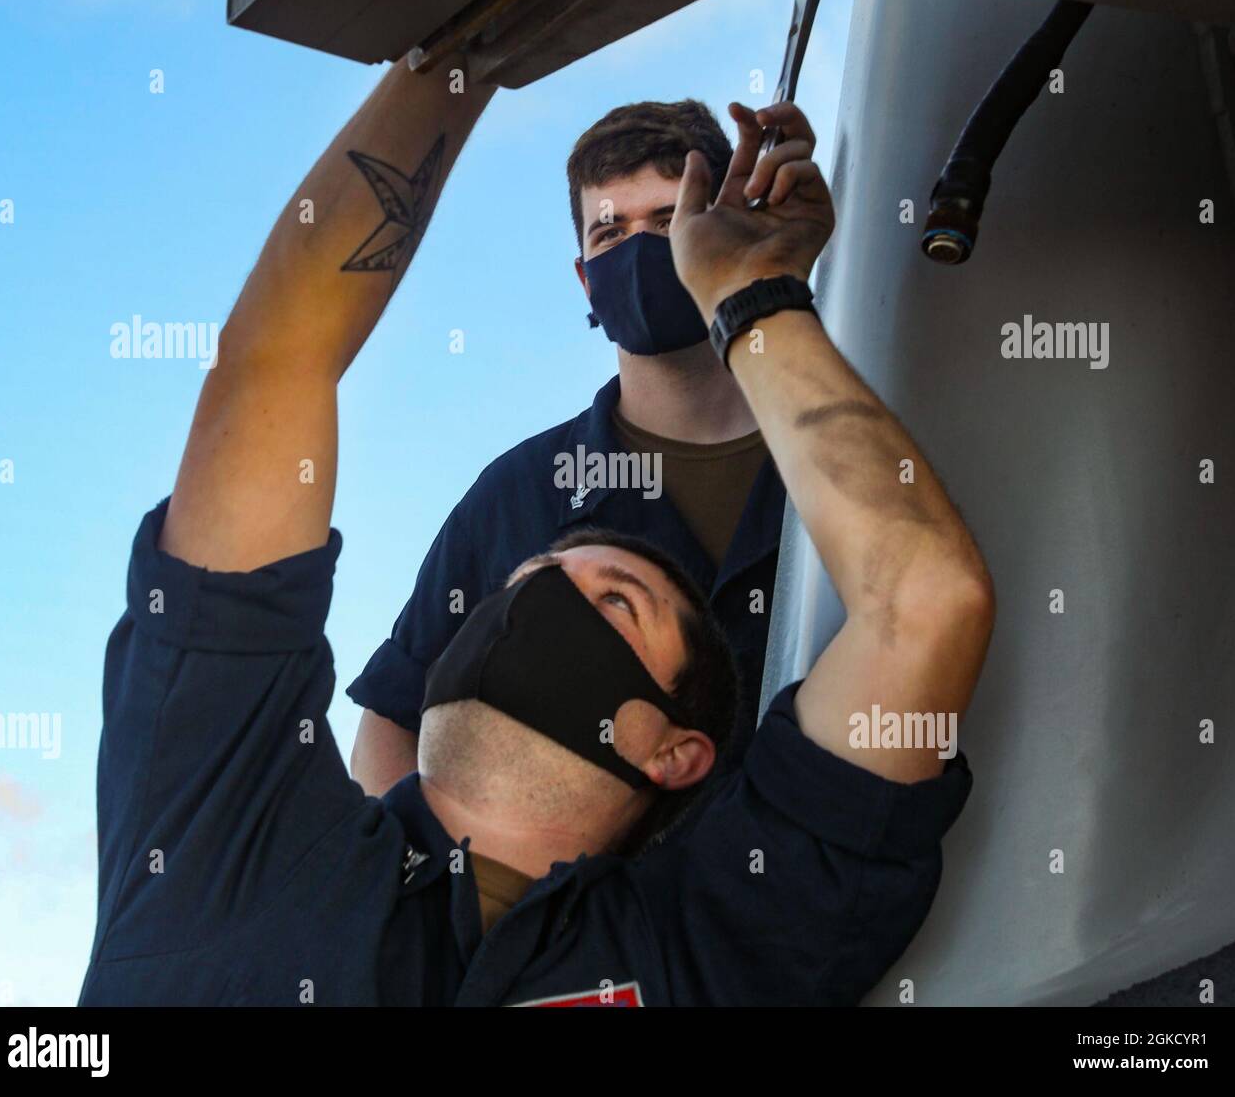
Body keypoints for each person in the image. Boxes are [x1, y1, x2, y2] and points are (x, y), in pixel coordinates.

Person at [78, 54, 995, 1004]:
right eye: (523, 583)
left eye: (614, 598)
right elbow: (271, 368)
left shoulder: (702, 944)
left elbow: (924, 606)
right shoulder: (229, 846)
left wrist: (755, 292)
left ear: (675, 752)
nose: (541, 592)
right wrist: (461, 50)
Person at [347, 73, 786, 798]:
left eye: (670, 219)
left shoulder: (825, 445)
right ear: (586, 279)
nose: (642, 251)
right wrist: (443, 893)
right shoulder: (514, 496)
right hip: (590, 909)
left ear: (724, 230)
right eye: (612, 232)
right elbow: (392, 719)